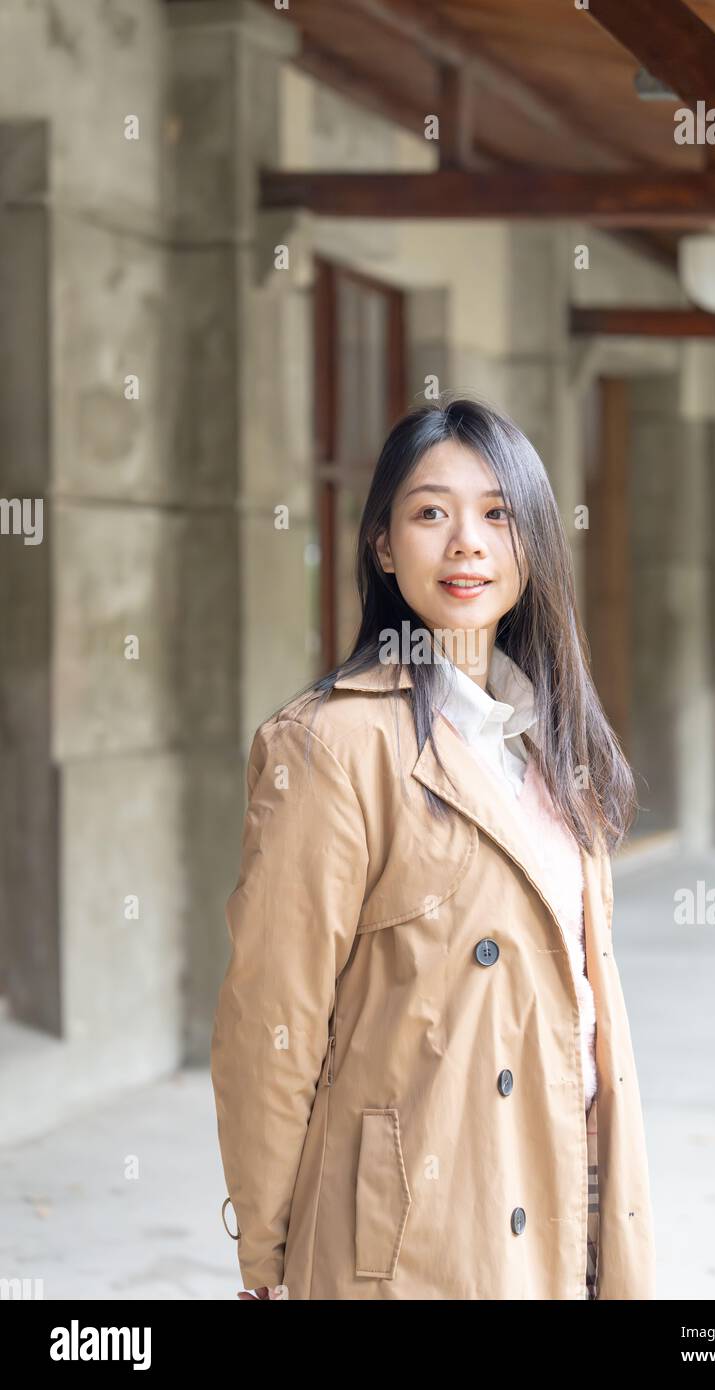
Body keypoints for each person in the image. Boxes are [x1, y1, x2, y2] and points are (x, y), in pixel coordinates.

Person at [211, 393, 656, 1300]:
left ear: (531, 542)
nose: (467, 543)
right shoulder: (330, 746)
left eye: (498, 513)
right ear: (383, 545)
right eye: (430, 513)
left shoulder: (548, 738)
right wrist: (266, 1255)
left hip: (561, 1202)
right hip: (411, 1242)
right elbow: (271, 1026)